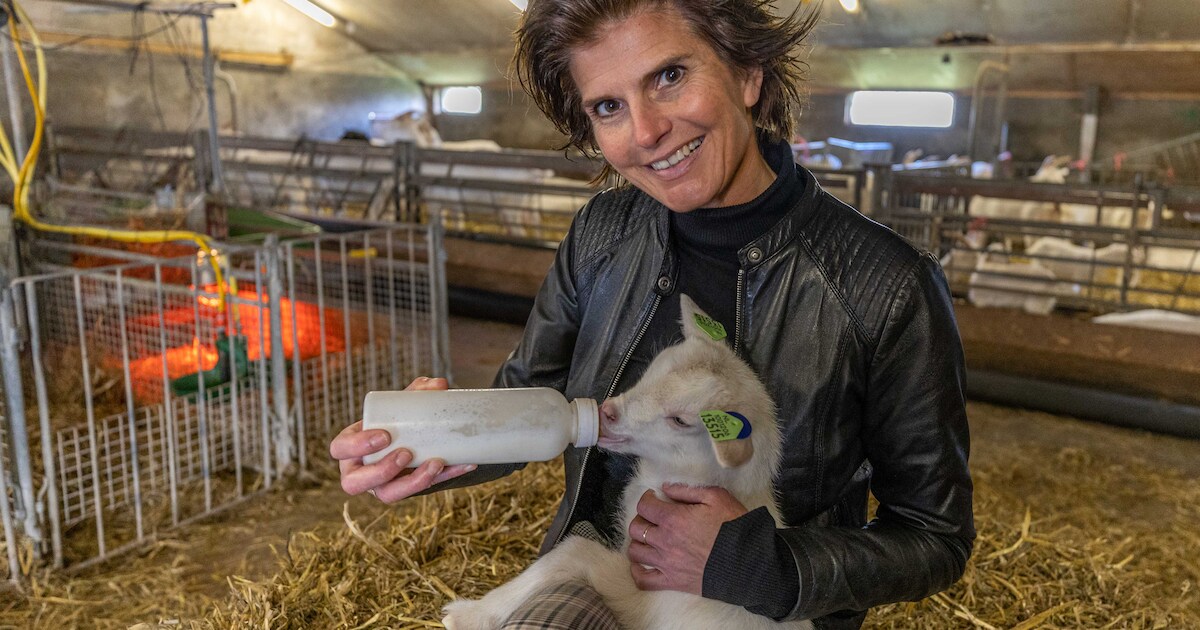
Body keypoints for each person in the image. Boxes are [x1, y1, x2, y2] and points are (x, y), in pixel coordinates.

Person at [330, 1, 975, 628]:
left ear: (748, 74)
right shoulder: (601, 237)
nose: (644, 133)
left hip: (759, 613)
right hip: (608, 574)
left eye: (669, 77)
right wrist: (435, 445)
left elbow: (934, 537)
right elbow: (533, 400)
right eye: (609, 107)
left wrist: (758, 564)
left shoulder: (885, 284)